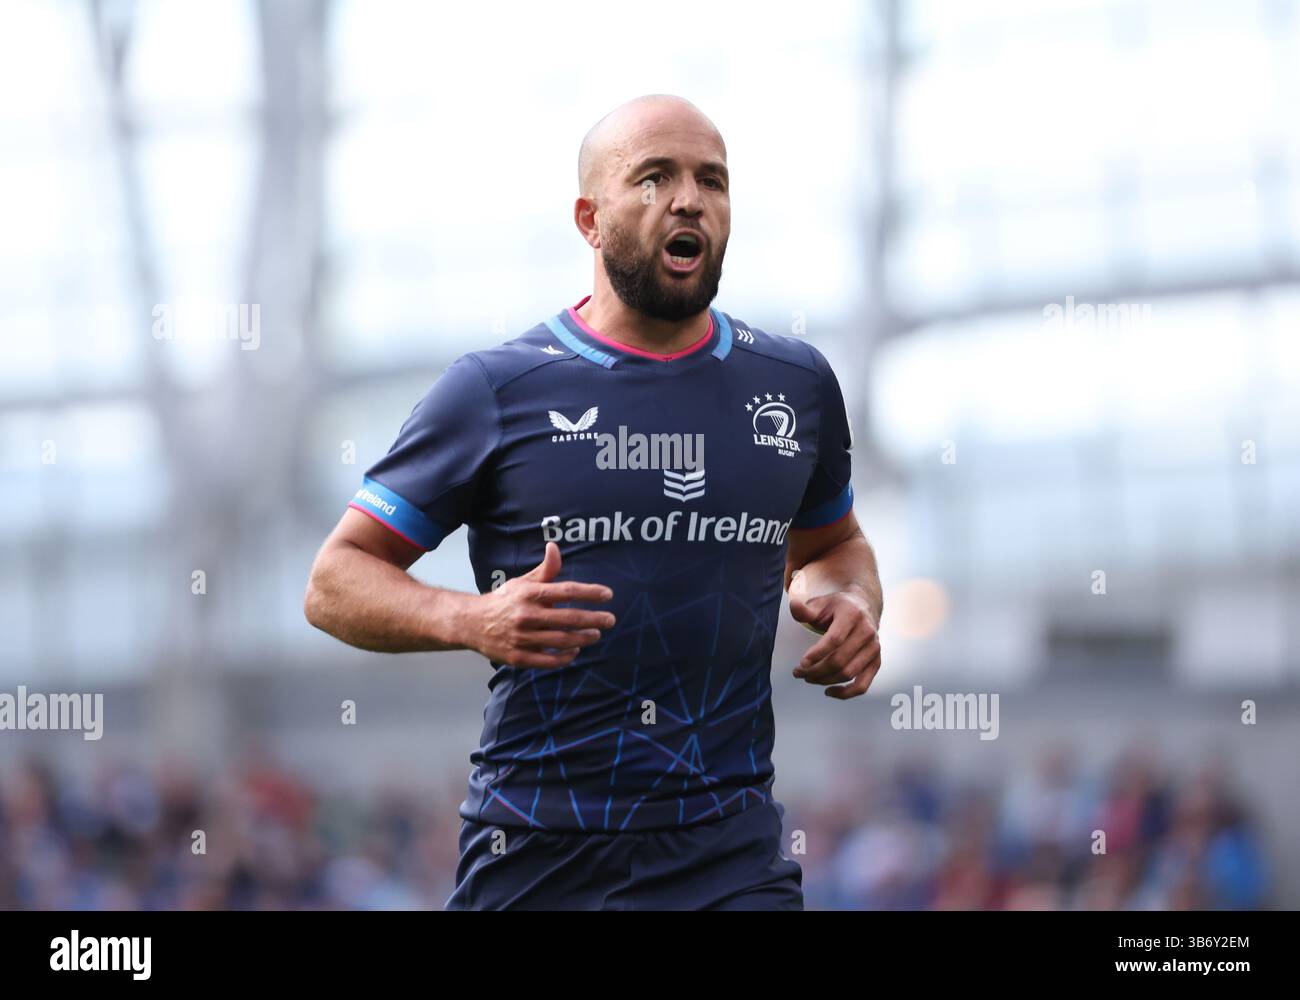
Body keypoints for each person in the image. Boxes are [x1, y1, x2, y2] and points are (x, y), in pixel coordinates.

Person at [305, 94, 884, 910]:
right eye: (654, 178)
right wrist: (469, 620)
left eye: (711, 181)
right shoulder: (497, 389)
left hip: (729, 851)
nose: (689, 199)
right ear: (590, 218)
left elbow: (832, 546)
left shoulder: (793, 386)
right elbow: (333, 582)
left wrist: (850, 599)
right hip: (539, 849)